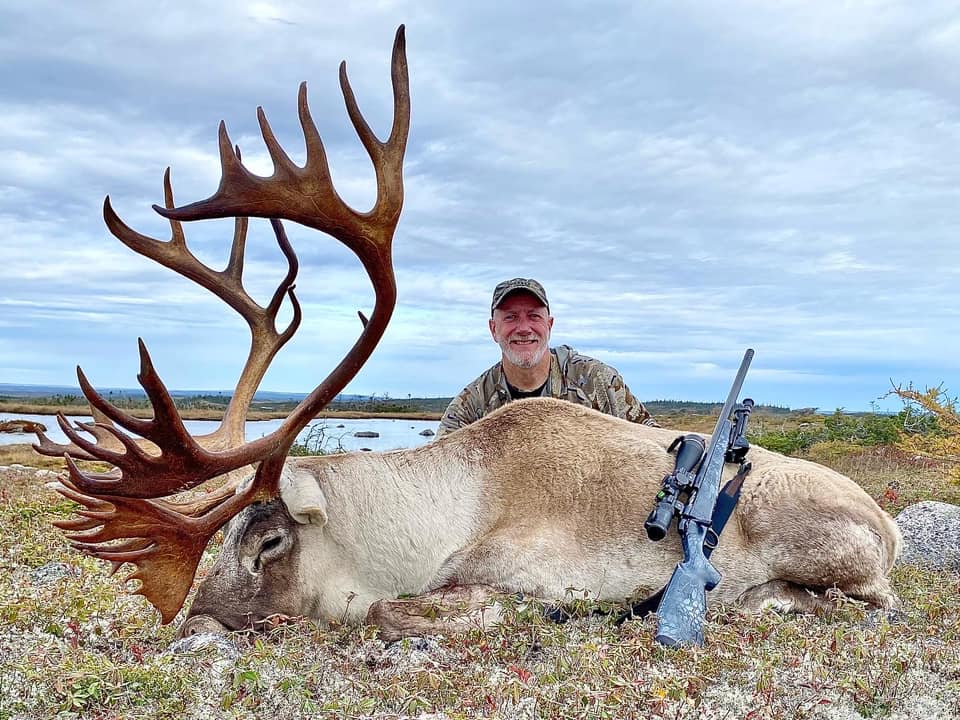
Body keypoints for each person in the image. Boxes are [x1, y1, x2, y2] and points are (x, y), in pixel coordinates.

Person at [437, 278, 656, 437]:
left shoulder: (597, 381)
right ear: (493, 329)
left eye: (534, 316)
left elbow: (655, 444)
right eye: (511, 317)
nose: (524, 328)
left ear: (549, 325)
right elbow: (438, 473)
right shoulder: (470, 406)